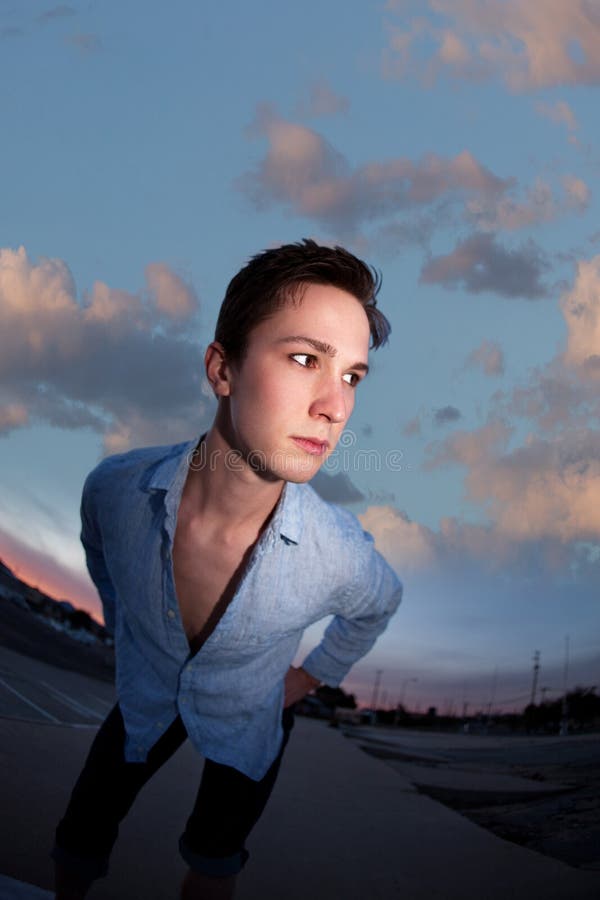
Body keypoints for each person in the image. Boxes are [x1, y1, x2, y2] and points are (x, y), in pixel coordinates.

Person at [51, 239, 403, 900]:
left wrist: (310, 676)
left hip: (250, 715)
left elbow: (380, 602)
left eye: (353, 376)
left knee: (215, 860)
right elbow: (101, 554)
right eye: (306, 359)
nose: (336, 407)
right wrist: (127, 631)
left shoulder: (338, 552)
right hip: (148, 692)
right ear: (222, 369)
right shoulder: (117, 491)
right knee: (82, 830)